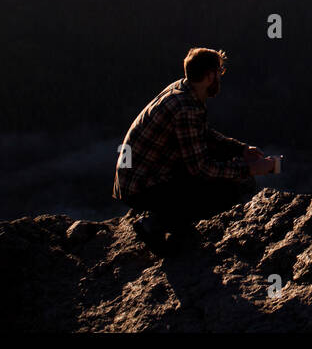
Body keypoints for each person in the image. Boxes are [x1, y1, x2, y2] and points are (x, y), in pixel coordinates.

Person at [113, 47, 276, 253]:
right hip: (143, 186)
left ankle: (169, 218)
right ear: (209, 76)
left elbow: (202, 135)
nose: (220, 78)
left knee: (223, 174)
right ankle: (154, 225)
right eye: (219, 73)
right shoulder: (185, 108)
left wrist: (240, 149)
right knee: (227, 191)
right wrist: (250, 169)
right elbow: (200, 169)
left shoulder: (183, 89)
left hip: (137, 177)